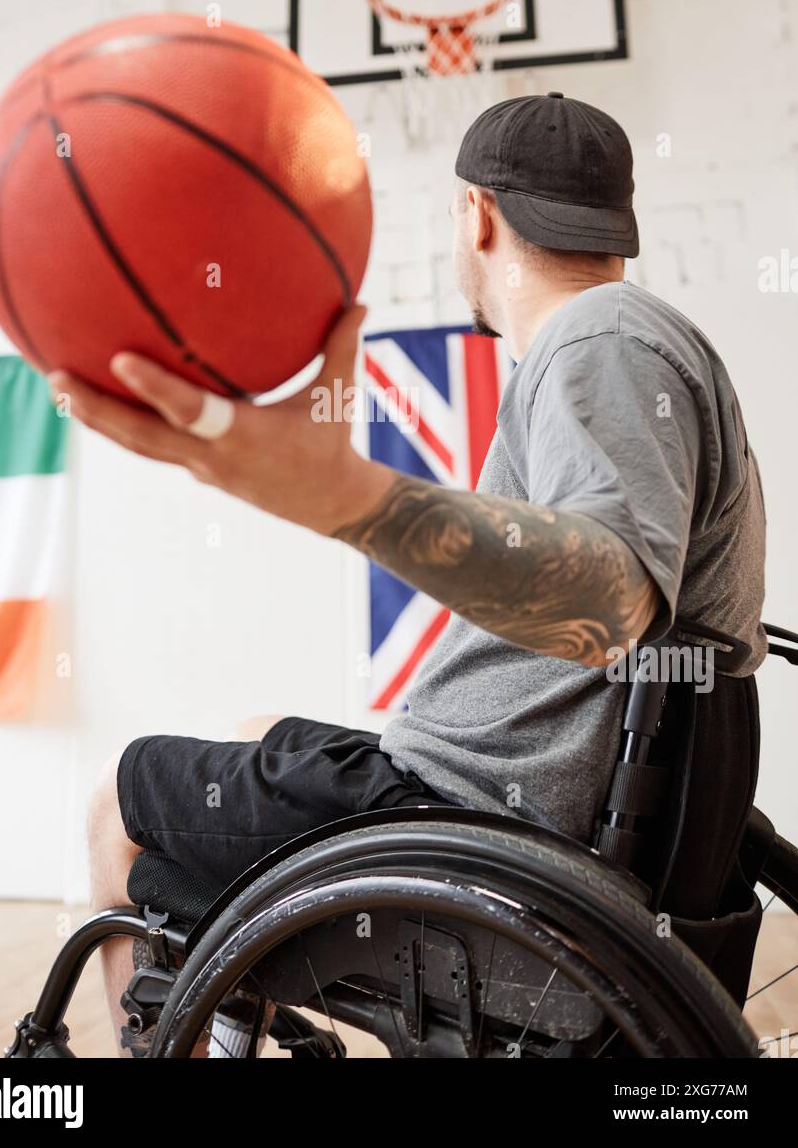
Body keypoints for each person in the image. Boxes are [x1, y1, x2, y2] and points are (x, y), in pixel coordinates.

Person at [54, 92, 766, 1052]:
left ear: (476, 213)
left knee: (118, 798)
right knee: (255, 732)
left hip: (486, 829)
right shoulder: (620, 335)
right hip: (504, 804)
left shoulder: (600, 338)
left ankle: (202, 1012)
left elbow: (611, 603)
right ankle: (228, 1004)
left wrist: (343, 492)